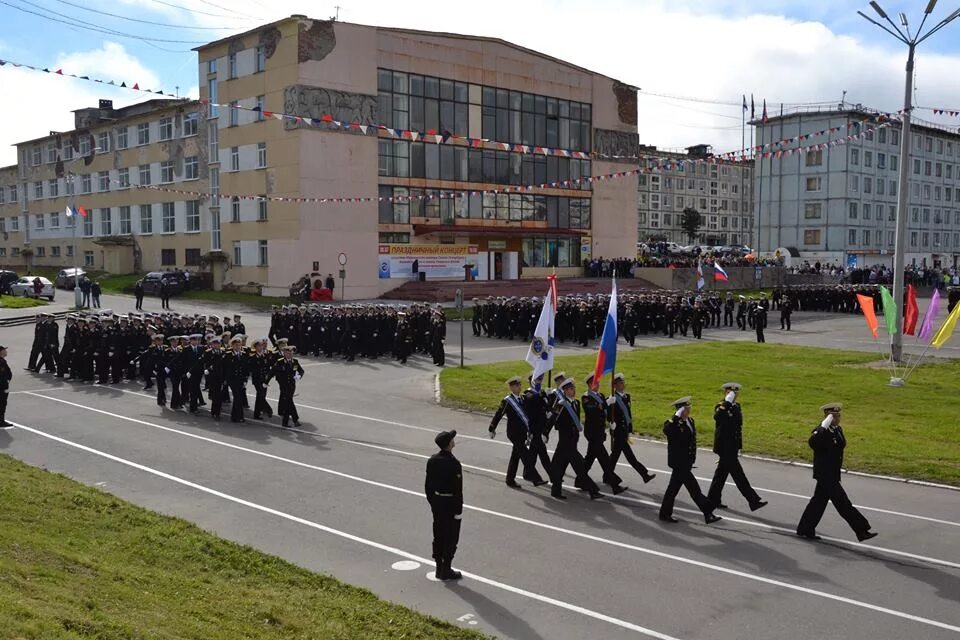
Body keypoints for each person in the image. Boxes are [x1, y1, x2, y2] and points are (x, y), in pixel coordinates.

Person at [797, 403, 878, 542]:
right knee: (843, 503)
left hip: (833, 473)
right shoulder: (821, 431)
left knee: (819, 502)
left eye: (838, 415)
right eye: (833, 416)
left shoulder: (837, 429)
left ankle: (805, 528)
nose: (837, 418)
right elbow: (813, 443)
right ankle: (861, 530)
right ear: (827, 416)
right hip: (825, 474)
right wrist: (823, 426)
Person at [659, 397, 722, 524]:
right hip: (678, 463)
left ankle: (664, 514)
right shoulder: (673, 424)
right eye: (686, 409)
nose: (689, 411)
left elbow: (692, 442)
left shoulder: (690, 421)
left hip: (687, 462)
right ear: (680, 410)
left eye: (689, 408)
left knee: (673, 489)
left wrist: (692, 459)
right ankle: (708, 511)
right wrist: (676, 417)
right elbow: (667, 430)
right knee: (694, 489)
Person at [707, 383, 767, 511]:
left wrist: (738, 446)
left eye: (735, 393)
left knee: (721, 475)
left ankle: (712, 500)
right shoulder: (721, 406)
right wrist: (727, 402)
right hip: (724, 447)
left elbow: (737, 427)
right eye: (731, 392)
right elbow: (718, 417)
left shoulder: (737, 406)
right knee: (738, 475)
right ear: (726, 393)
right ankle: (753, 500)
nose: (734, 395)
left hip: (732, 446)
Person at [547, 377, 601, 500]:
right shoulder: (561, 404)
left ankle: (555, 490)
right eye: (571, 389)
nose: (573, 390)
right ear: (565, 391)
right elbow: (552, 420)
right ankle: (593, 490)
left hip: (572, 440)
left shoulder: (576, 403)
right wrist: (545, 433)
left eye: (574, 388)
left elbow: (575, 420)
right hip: (565, 440)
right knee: (579, 465)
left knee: (559, 466)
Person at [489, 376, 545, 488]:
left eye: (519, 385)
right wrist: (492, 427)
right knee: (526, 455)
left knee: (515, 456)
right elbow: (499, 414)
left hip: (522, 432)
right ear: (511, 387)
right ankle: (536, 479)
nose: (519, 387)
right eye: (517, 385)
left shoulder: (522, 399)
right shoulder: (507, 401)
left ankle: (510, 480)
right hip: (514, 433)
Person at [425, 429, 463, 581]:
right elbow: (457, 489)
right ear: (449, 444)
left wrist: (433, 501)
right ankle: (446, 568)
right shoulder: (454, 464)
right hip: (450, 503)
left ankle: (438, 567)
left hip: (437, 502)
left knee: (438, 534)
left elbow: (428, 486)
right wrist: (458, 509)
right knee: (451, 536)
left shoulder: (432, 460)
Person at [580, 373, 626, 494]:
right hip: (592, 433)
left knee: (590, 458)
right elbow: (593, 410)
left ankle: (580, 480)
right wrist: (607, 402)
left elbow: (604, 412)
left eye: (598, 383)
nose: (598, 385)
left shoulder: (600, 395)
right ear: (590, 385)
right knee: (605, 460)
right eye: (595, 383)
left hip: (599, 432)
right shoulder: (586, 397)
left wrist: (611, 422)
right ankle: (615, 485)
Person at [607, 373, 656, 484]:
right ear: (614, 385)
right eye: (620, 383)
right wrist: (611, 423)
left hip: (624, 431)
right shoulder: (612, 399)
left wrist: (629, 429)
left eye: (623, 382)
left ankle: (607, 475)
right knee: (629, 457)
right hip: (617, 431)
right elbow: (609, 415)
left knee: (614, 457)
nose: (623, 384)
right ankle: (644, 474)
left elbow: (628, 414)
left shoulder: (626, 396)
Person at [271, 345, 304, 427]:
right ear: (284, 354)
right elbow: (272, 371)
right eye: (287, 353)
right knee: (289, 401)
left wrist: (299, 376)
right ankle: (295, 420)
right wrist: (266, 381)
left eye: (291, 353)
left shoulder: (295, 362)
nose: (289, 355)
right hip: (283, 385)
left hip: (292, 385)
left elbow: (301, 371)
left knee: (288, 402)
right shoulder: (280, 362)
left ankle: (285, 422)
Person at [0, 345, 12, 426]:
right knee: (2, 404)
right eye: (4, 350)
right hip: (1, 387)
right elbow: (2, 375)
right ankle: (1, 421)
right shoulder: (1, 362)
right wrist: (5, 386)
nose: (6, 351)